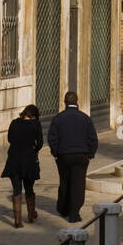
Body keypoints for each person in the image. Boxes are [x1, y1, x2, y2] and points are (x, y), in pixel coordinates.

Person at [48, 91, 98, 222]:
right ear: (77, 102)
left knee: (64, 182)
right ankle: (74, 213)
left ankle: (63, 209)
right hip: (81, 156)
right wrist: (90, 155)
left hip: (63, 156)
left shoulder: (58, 118)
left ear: (64, 102)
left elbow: (52, 138)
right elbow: (93, 139)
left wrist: (55, 153)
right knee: (78, 184)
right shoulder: (85, 118)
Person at [1, 104, 42, 228]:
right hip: (28, 161)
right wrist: (33, 149)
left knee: (16, 190)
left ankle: (17, 221)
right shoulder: (35, 124)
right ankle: (30, 215)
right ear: (34, 115)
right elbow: (40, 143)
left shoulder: (14, 123)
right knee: (29, 188)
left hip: (13, 160)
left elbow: (10, 139)